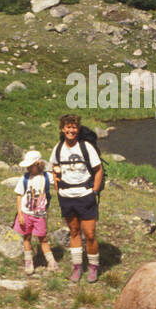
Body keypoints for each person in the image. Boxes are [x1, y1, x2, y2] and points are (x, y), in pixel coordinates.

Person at [49, 114, 103, 283]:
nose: (71, 130)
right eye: (68, 127)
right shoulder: (58, 148)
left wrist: (94, 191)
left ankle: (93, 267)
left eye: (74, 127)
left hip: (85, 196)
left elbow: (98, 169)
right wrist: (59, 191)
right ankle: (77, 267)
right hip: (66, 197)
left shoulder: (86, 147)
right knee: (73, 231)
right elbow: (55, 169)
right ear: (62, 129)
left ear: (77, 129)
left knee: (90, 234)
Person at [14, 151, 58, 275]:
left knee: (43, 238)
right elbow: (19, 196)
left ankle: (51, 261)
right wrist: (20, 214)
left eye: (31, 165)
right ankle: (29, 263)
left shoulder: (46, 177)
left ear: (39, 164)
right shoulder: (24, 178)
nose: (28, 168)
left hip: (40, 215)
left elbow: (58, 180)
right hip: (26, 213)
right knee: (26, 237)